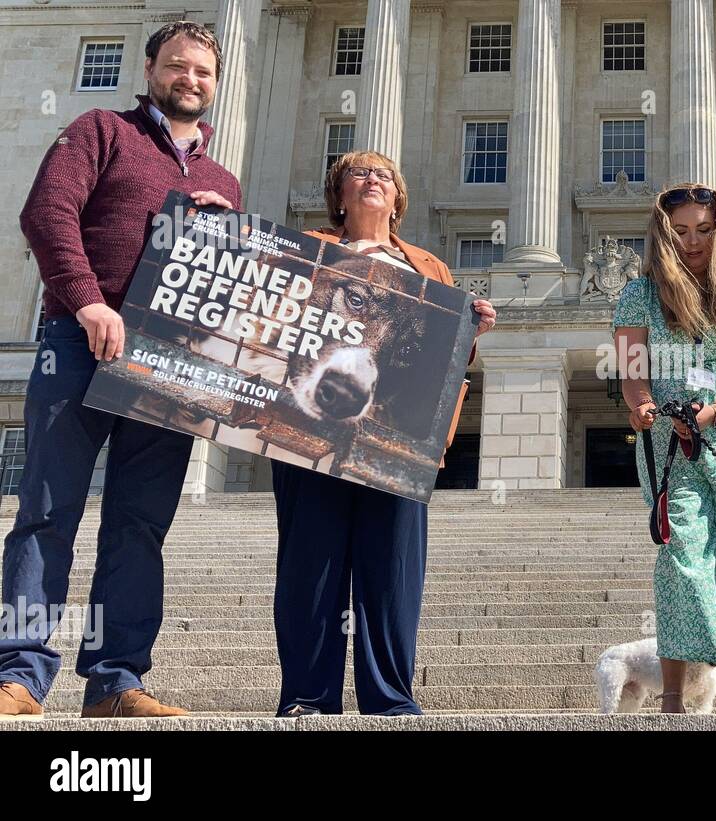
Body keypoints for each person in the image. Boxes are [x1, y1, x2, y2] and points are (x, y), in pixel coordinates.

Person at [0, 22, 241, 720]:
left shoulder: (223, 177)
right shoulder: (101, 128)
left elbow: (229, 288)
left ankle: (115, 679)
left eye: (202, 71)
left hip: (168, 363)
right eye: (177, 66)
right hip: (79, 344)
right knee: (47, 511)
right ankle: (19, 671)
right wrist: (87, 303)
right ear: (151, 68)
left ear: (215, 83)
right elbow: (48, 215)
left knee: (138, 525)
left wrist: (229, 232)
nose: (189, 79)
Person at [271, 149, 496, 717]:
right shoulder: (308, 247)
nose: (372, 181)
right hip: (306, 426)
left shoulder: (429, 267)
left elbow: (441, 361)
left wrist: (472, 329)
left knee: (393, 570)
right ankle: (307, 696)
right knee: (311, 563)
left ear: (398, 200)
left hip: (398, 438)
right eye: (359, 174)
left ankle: (391, 698)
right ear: (338, 195)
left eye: (385, 177)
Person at [613, 183, 716, 713]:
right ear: (664, 234)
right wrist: (641, 407)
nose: (692, 241)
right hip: (667, 439)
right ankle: (674, 698)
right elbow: (633, 372)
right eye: (680, 231)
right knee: (680, 555)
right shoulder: (639, 294)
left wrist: (714, 411)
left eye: (704, 230)